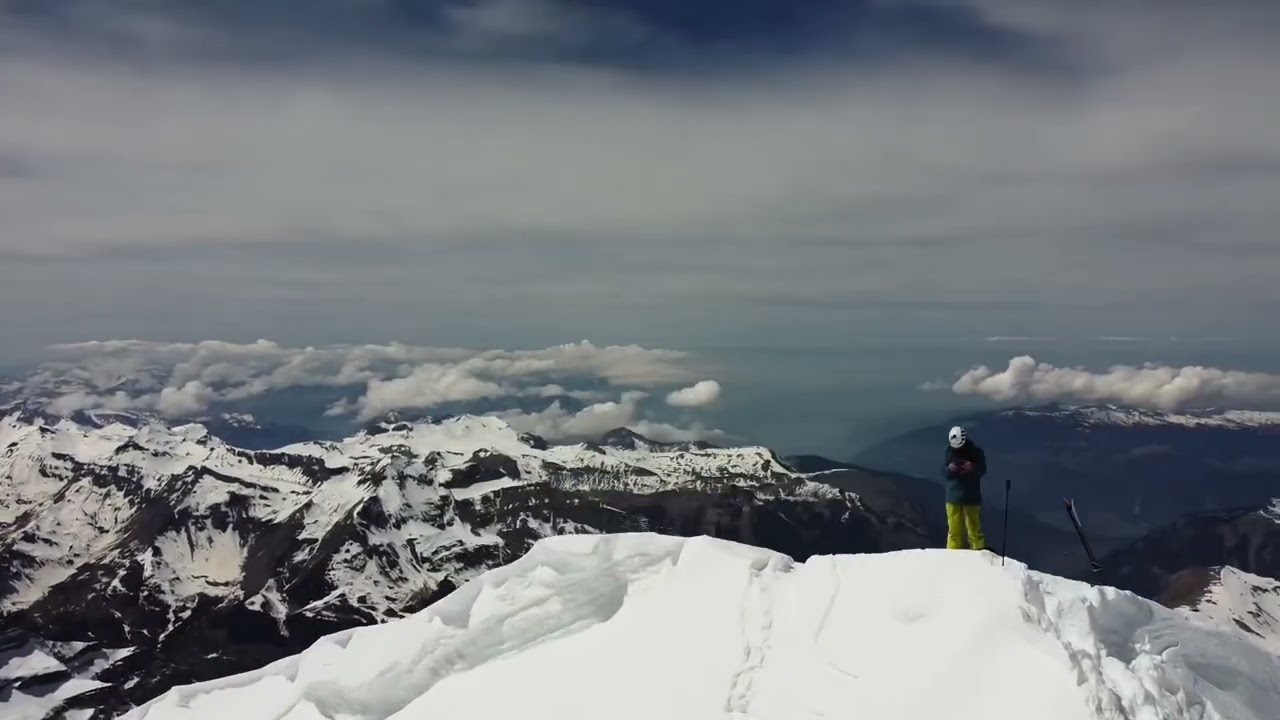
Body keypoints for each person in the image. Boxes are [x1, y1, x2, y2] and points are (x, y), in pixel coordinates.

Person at [943, 425, 989, 551]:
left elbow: (982, 469)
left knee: (974, 531)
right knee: (954, 531)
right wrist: (950, 469)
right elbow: (944, 472)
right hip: (954, 497)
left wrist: (972, 468)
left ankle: (979, 554)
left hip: (970, 497)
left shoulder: (975, 452)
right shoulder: (949, 451)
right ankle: (952, 556)